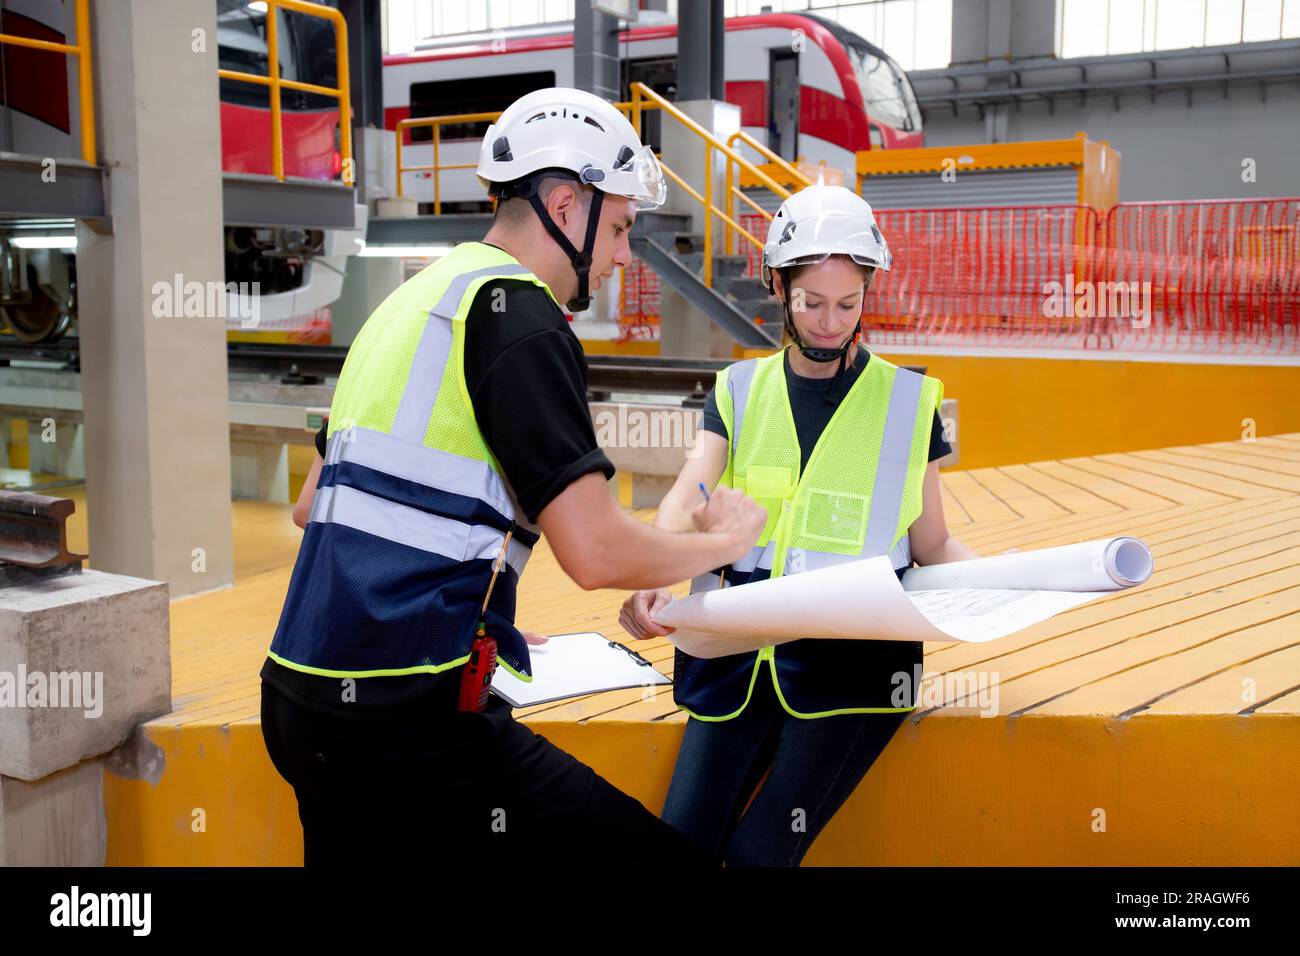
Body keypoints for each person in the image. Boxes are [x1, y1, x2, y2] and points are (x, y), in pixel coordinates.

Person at [260, 87, 768, 867]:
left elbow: (312, 507)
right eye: (624, 228)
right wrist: (721, 544)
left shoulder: (411, 303)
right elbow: (595, 553)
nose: (624, 255)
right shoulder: (517, 315)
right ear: (567, 204)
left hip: (302, 703)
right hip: (406, 719)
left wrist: (472, 605)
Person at [618, 184, 980, 867]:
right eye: (812, 303)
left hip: (852, 672)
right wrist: (655, 573)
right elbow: (689, 490)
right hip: (736, 663)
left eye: (848, 304)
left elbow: (932, 542)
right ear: (779, 288)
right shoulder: (740, 390)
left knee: (760, 856)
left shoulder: (907, 403)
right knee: (677, 844)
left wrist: (1006, 586)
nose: (829, 322)